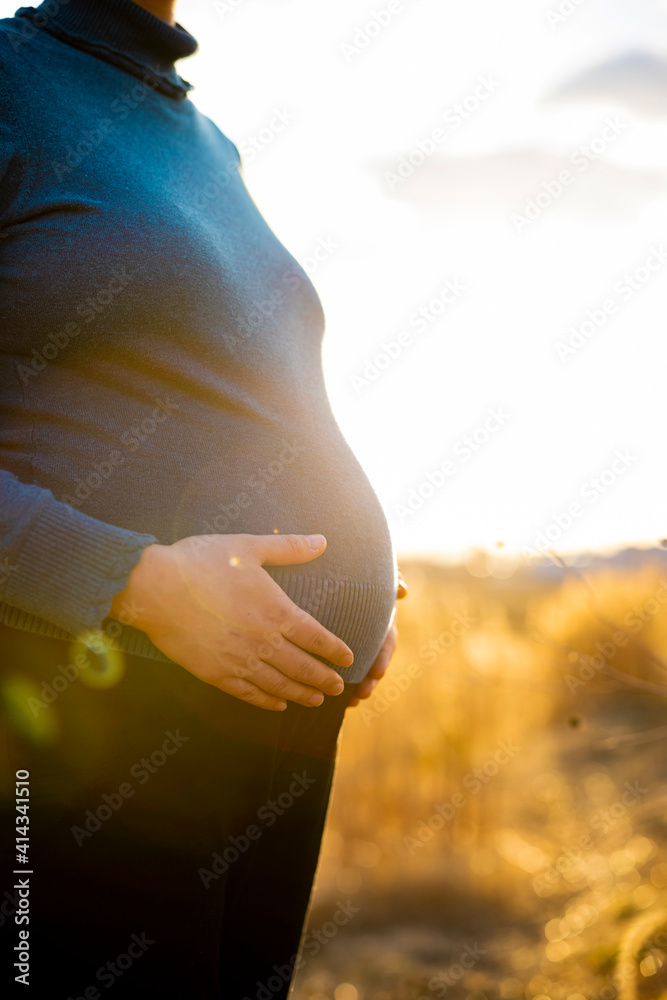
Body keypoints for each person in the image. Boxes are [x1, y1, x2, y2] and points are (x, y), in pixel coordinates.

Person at [0, 0, 406, 995]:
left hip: (279, 720)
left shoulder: (202, 136)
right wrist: (131, 580)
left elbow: (247, 387)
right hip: (98, 712)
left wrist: (354, 588)